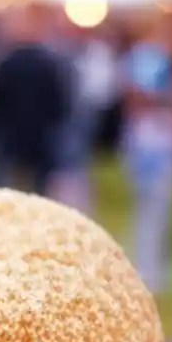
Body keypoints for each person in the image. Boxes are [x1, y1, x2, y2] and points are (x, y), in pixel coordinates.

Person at [121, 15, 172, 293]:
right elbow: (140, 95)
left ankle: (152, 266)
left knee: (154, 209)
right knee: (152, 207)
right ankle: (148, 269)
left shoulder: (147, 58)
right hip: (151, 138)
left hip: (152, 136)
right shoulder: (150, 58)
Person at [0, 4, 69, 194]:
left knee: (5, 184)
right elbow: (59, 102)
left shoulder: (8, 63)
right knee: (38, 188)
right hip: (38, 133)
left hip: (14, 133)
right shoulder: (49, 63)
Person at [49, 19, 118, 214]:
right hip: (68, 115)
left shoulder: (98, 54)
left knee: (77, 162)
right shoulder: (65, 52)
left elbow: (102, 90)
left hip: (86, 113)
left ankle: (77, 203)